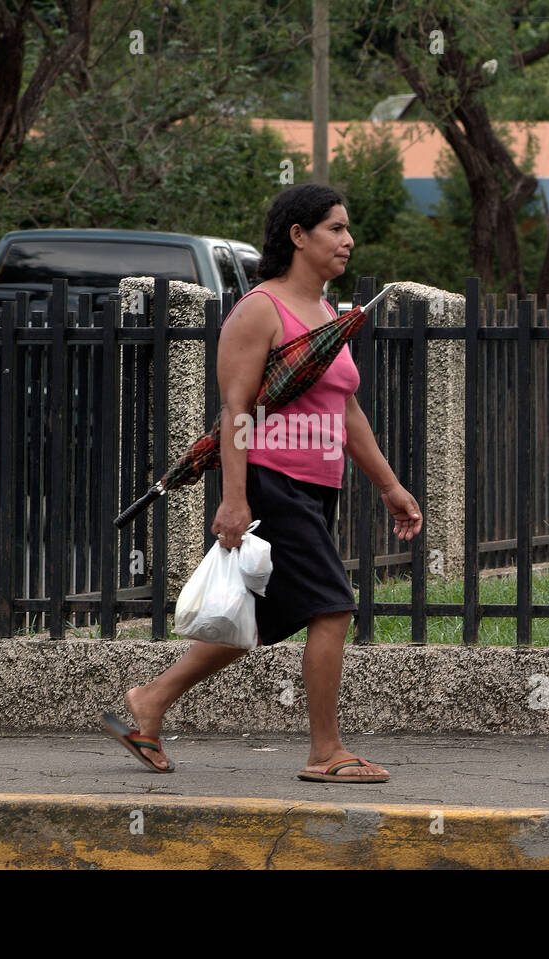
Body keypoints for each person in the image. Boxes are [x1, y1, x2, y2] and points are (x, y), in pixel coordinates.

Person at [104, 183, 422, 782]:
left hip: (315, 485)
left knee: (252, 620)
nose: (348, 240)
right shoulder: (259, 310)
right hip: (271, 482)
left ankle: (148, 704)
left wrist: (388, 486)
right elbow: (236, 410)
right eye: (335, 228)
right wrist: (233, 498)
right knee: (333, 608)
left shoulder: (328, 315)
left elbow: (346, 410)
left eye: (348, 228)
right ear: (299, 236)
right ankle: (326, 753)